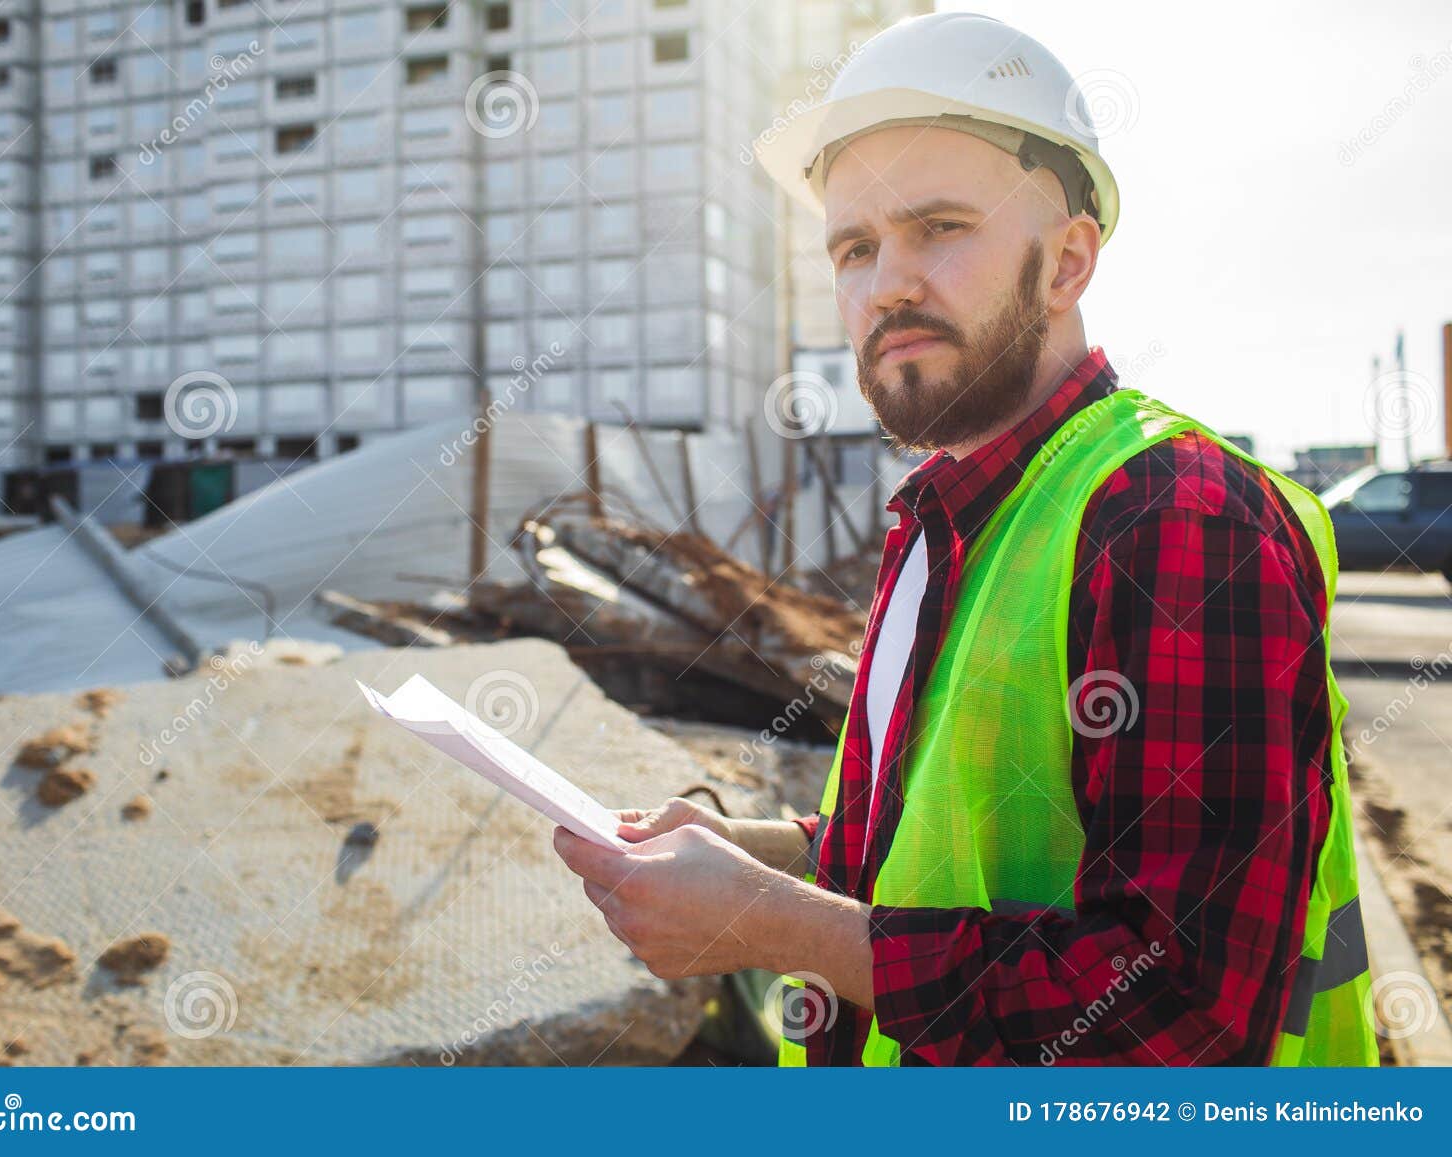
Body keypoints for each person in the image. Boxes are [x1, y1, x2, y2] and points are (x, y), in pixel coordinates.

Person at [552, 11, 1377, 1066]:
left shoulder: (1175, 515)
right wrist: (745, 852)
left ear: (1067, 261)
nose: (886, 281)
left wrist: (779, 924)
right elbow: (933, 849)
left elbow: (1182, 1013)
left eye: (940, 225)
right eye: (854, 246)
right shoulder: (946, 516)